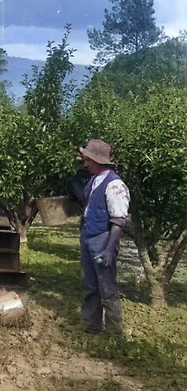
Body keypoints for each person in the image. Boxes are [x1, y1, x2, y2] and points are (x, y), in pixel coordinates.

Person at [78, 139, 130, 336]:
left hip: (102, 238)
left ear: (97, 160)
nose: (85, 164)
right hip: (89, 236)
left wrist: (109, 249)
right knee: (91, 284)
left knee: (106, 285)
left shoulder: (115, 184)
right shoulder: (94, 180)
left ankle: (114, 331)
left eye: (88, 160)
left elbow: (118, 220)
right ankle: (92, 324)